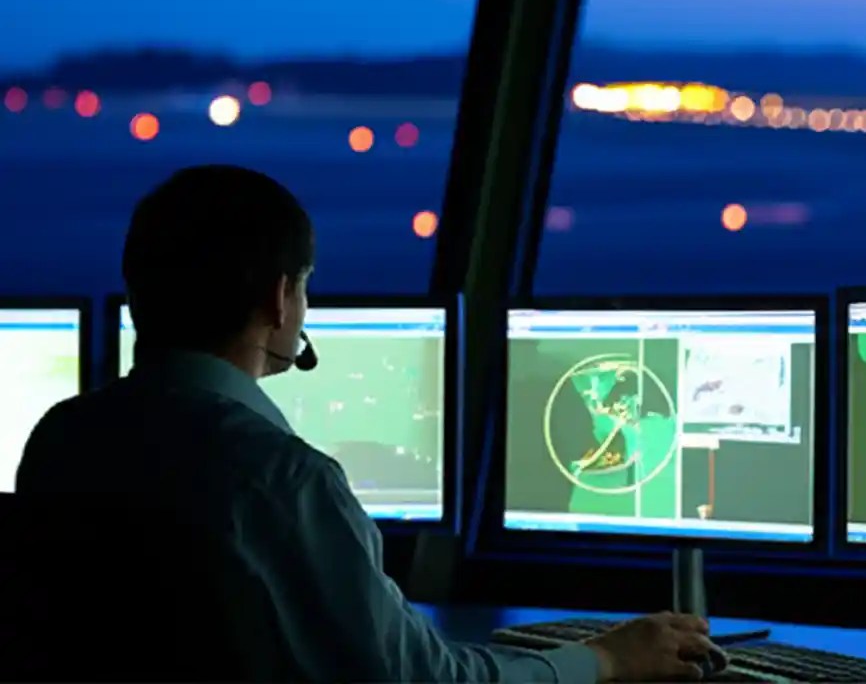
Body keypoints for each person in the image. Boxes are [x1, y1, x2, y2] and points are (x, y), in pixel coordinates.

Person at [16, 164, 713, 682]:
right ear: (280, 299)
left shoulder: (60, 440)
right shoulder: (281, 480)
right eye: (305, 286)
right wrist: (604, 659)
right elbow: (421, 680)